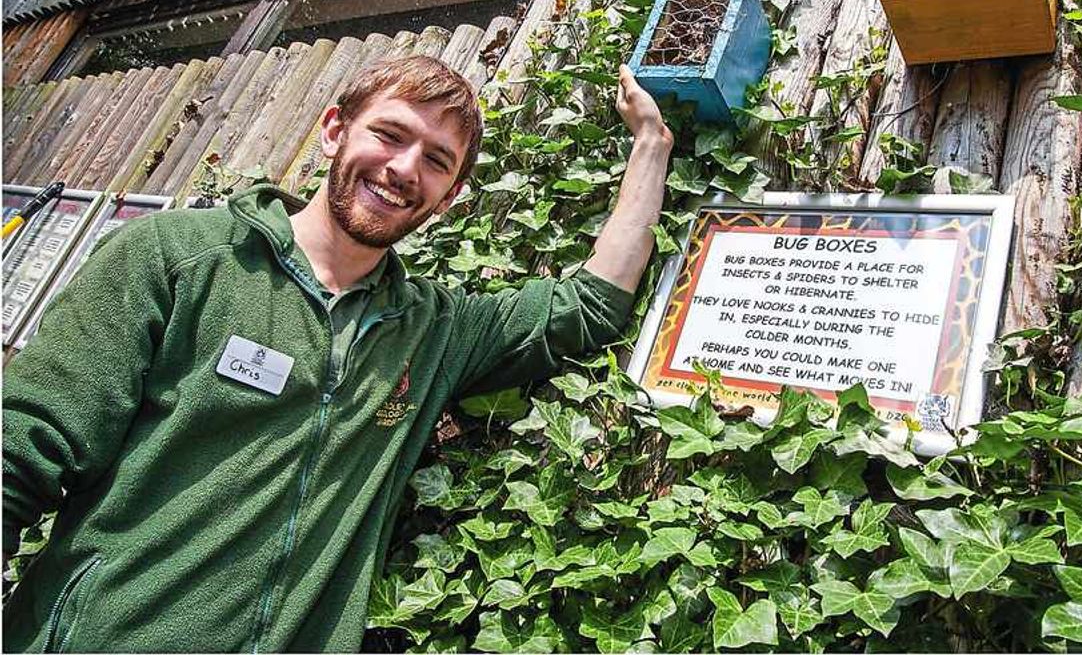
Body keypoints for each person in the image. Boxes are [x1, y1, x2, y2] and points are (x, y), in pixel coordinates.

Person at [2, 56, 673, 652]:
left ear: (449, 198)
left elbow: (586, 307)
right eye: (389, 133)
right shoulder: (179, 258)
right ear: (334, 131)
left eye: (437, 160)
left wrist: (651, 145)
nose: (405, 168)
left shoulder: (432, 329)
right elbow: (21, 451)